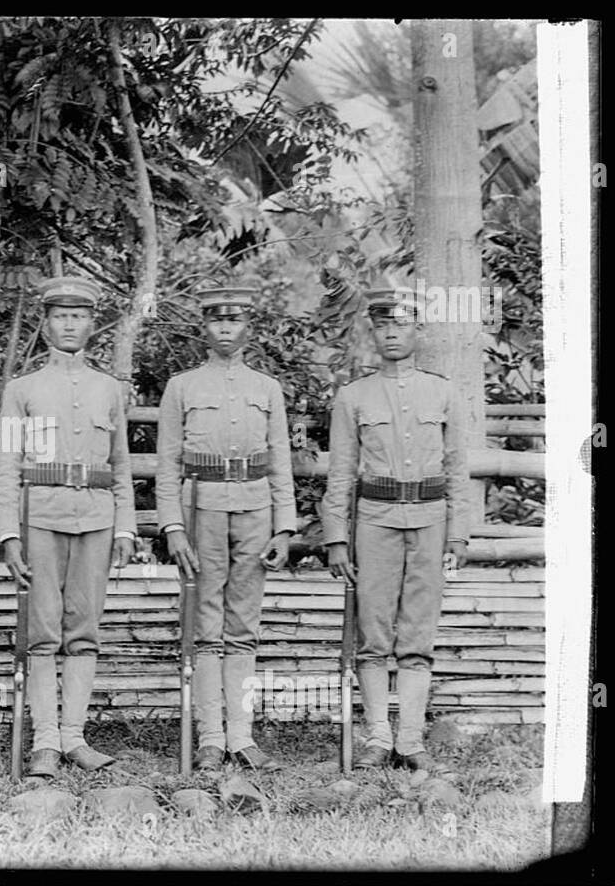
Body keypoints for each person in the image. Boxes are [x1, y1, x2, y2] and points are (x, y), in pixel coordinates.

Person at [323, 287, 472, 772]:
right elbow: (341, 473)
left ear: (417, 332)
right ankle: (377, 738)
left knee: (417, 636)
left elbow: (457, 469)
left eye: (401, 325)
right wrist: (336, 538)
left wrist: (458, 535)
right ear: (373, 331)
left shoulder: (443, 392)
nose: (391, 333)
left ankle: (410, 742)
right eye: (383, 325)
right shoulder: (354, 396)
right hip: (375, 522)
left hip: (430, 521)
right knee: (373, 635)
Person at [0, 276, 136, 777]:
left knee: (85, 630)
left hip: (96, 518)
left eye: (79, 315)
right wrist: (8, 533)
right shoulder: (22, 389)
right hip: (41, 519)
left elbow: (120, 465)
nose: (70, 323)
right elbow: (7, 466)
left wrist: (125, 528)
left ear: (92, 323)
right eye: (60, 315)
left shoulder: (108, 389)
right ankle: (46, 741)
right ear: (46, 322)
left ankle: (74, 737)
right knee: (41, 630)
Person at [155, 285, 296, 772]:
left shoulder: (266, 389)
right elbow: (168, 463)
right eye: (217, 322)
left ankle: (242, 735)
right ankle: (210, 736)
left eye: (234, 322)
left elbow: (280, 463)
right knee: (203, 626)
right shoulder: (183, 386)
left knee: (243, 628)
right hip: (203, 509)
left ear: (247, 329)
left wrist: (285, 528)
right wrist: (172, 525)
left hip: (256, 507)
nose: (225, 330)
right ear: (205, 329)